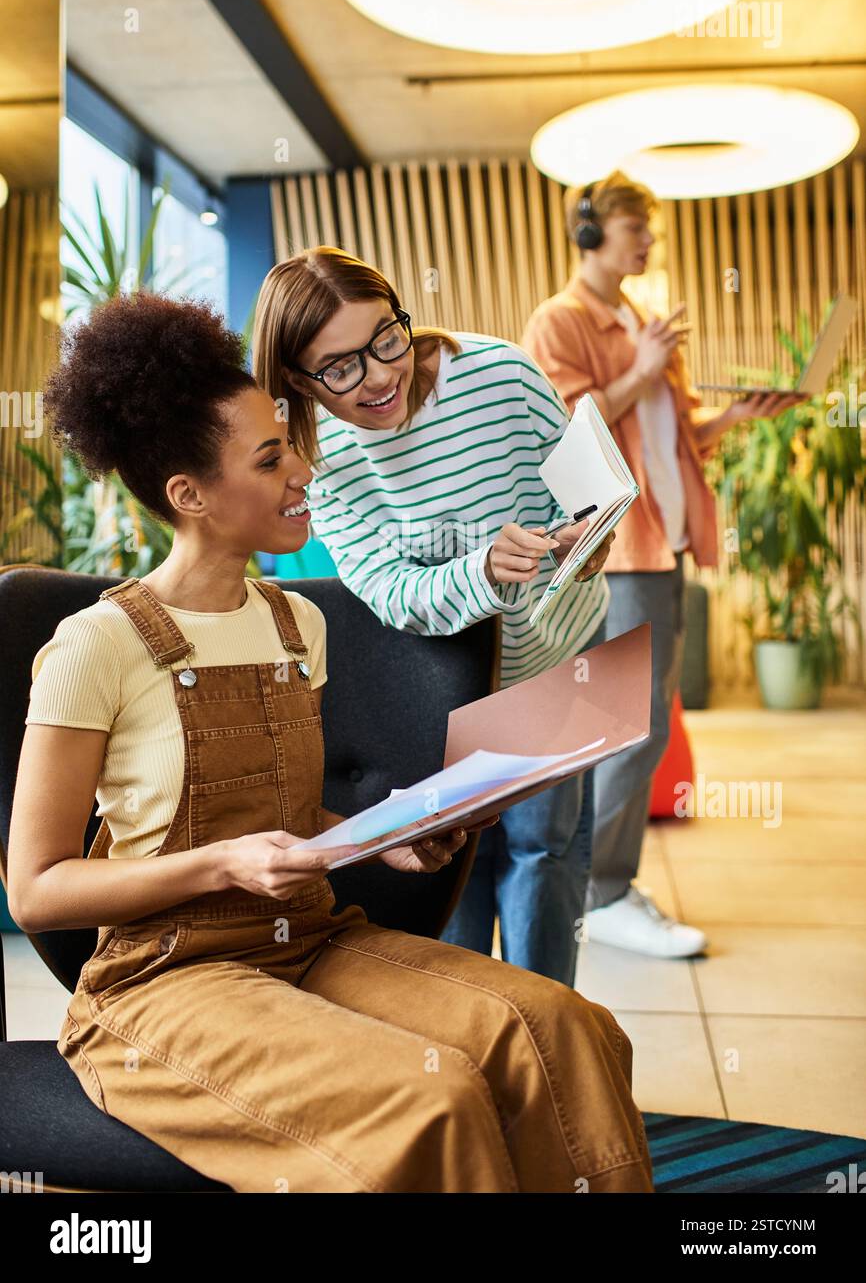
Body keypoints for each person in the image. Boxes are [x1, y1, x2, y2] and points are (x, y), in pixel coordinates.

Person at [7, 290, 653, 1193]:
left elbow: (275, 810)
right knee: (433, 1105)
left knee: (561, 1030)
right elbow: (37, 889)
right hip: (164, 983)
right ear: (189, 495)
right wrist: (225, 865)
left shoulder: (293, 622)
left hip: (305, 941)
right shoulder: (96, 646)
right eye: (273, 458)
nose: (307, 469)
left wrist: (380, 835)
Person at [252, 246, 616, 989]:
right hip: (442, 683)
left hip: (558, 647)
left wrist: (593, 533)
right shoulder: (317, 459)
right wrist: (480, 571)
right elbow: (388, 591)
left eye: (386, 338)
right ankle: (473, 1040)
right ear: (296, 378)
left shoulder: (503, 375)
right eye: (342, 367)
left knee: (547, 852)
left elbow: (581, 506)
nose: (381, 375)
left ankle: (548, 1031)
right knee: (450, 868)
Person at [521, 171, 802, 959]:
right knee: (624, 724)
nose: (646, 241)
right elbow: (565, 431)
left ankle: (596, 886)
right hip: (619, 548)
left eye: (648, 229)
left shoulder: (642, 320)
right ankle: (601, 893)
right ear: (589, 234)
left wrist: (734, 417)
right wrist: (641, 370)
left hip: (664, 541)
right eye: (633, 228)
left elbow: (676, 434)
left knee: (639, 722)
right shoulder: (561, 321)